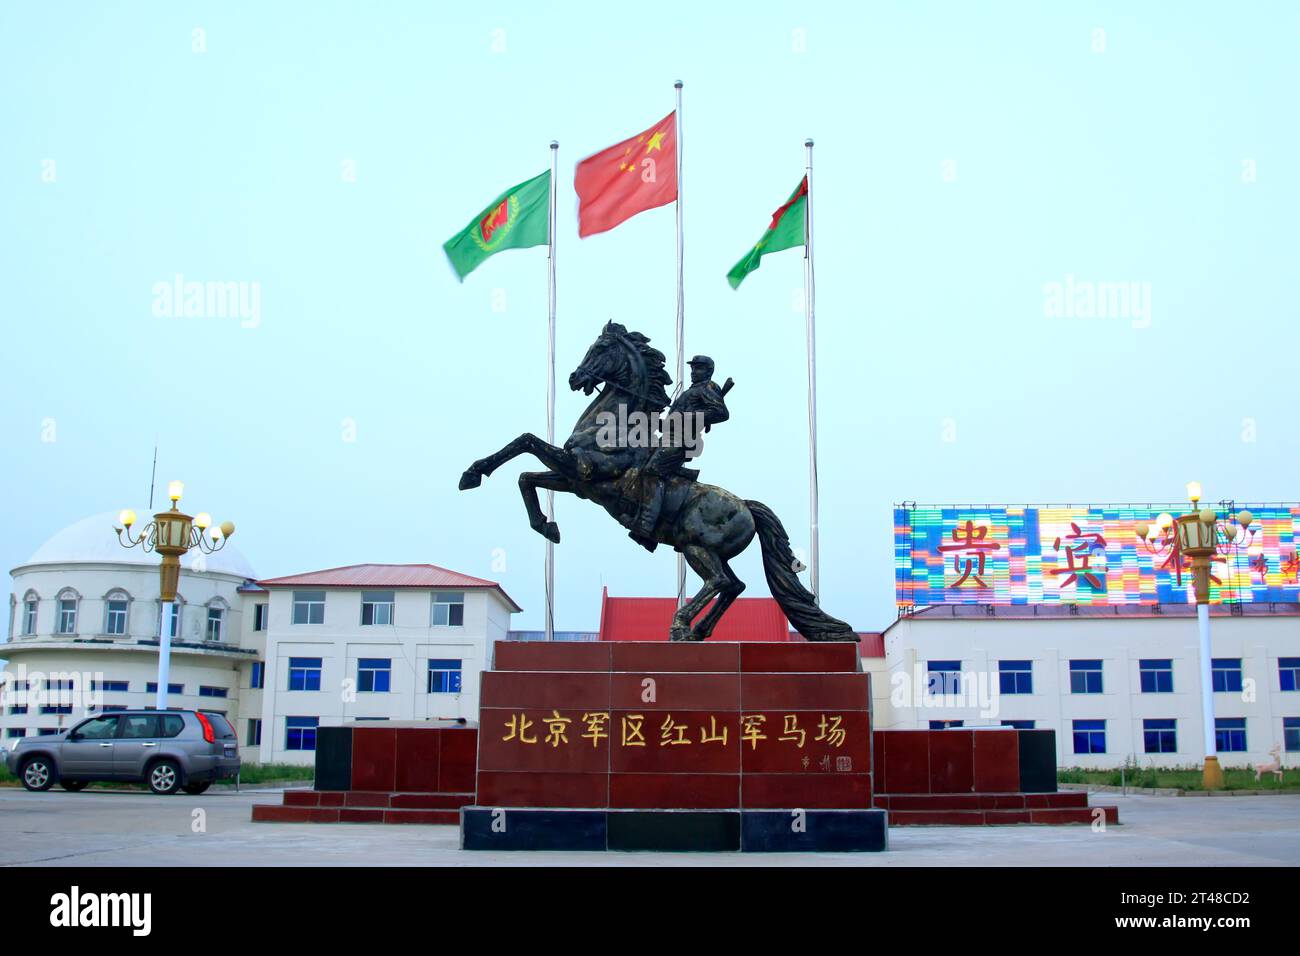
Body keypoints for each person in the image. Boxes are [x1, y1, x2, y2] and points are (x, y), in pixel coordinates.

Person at [630, 355, 730, 550]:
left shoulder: (708, 387)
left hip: (681, 441)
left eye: (698, 368)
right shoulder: (692, 390)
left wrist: (688, 416)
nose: (694, 372)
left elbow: (721, 413)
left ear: (708, 371)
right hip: (669, 437)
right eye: (693, 368)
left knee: (652, 471)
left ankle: (646, 528)